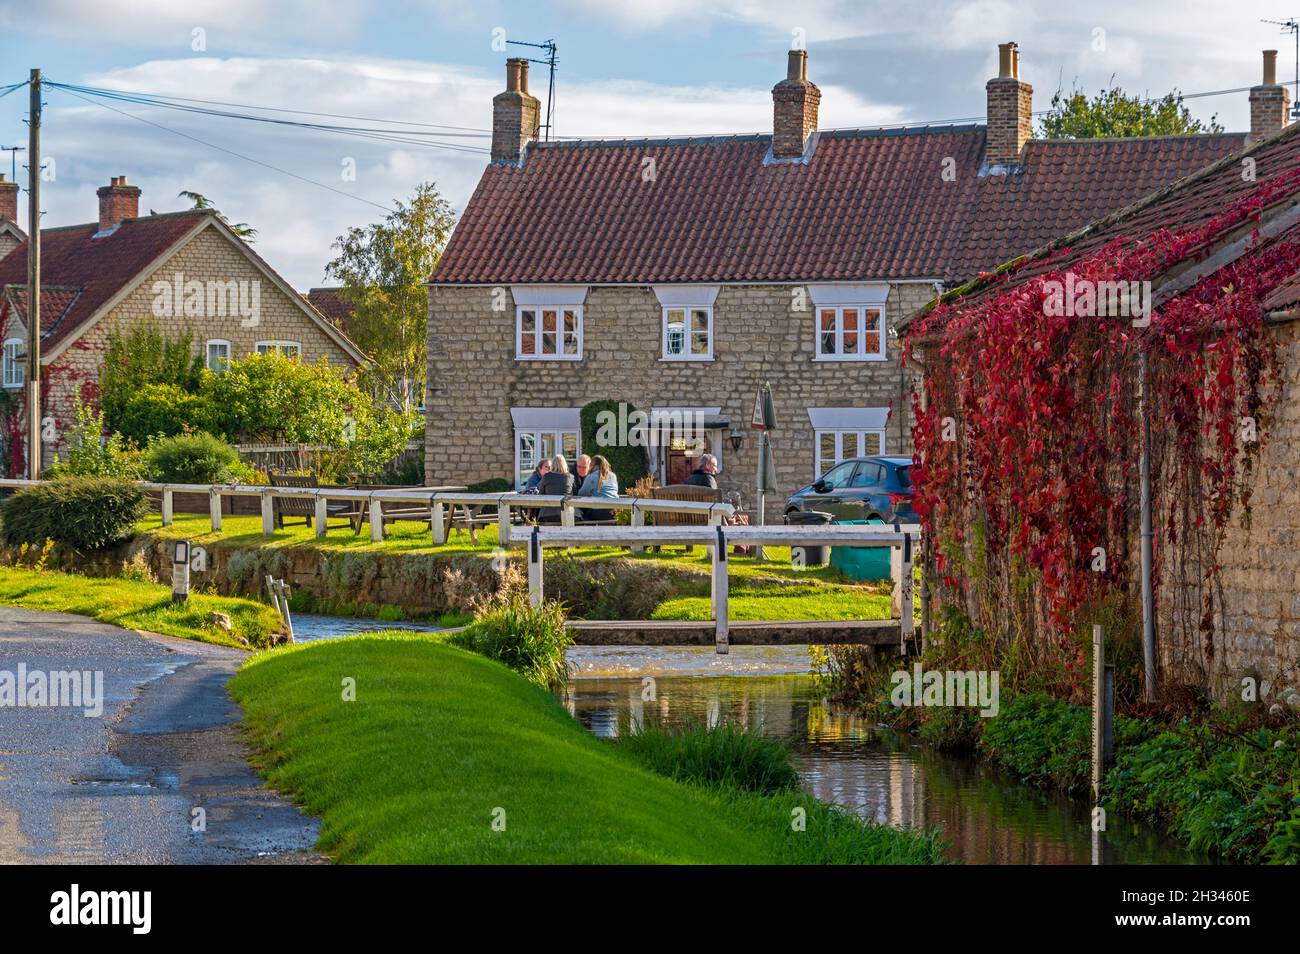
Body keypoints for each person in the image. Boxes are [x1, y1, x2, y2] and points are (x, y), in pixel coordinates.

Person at [577, 454, 618, 522]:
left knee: (582, 513)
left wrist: (589, 495)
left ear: (593, 465)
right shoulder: (613, 476)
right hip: (614, 511)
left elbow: (581, 495)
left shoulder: (591, 476)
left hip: (598, 512)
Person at [536, 455, 574, 523]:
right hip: (567, 513)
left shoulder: (547, 476)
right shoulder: (570, 477)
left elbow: (540, 495)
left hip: (547, 514)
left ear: (552, 465)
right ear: (565, 465)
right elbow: (573, 494)